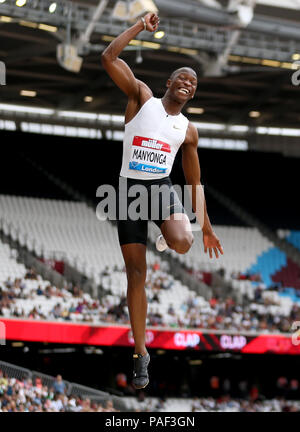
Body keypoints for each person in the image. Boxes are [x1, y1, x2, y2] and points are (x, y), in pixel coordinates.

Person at [101, 12, 223, 390]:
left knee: (183, 242)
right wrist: (139, 26)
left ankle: (169, 235)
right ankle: (141, 352)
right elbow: (108, 58)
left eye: (194, 82)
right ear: (169, 82)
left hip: (159, 188)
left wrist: (205, 225)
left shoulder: (188, 130)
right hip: (128, 192)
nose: (188, 83)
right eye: (182, 78)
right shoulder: (142, 98)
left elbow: (194, 180)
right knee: (136, 275)